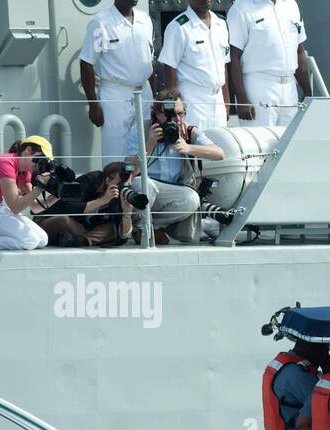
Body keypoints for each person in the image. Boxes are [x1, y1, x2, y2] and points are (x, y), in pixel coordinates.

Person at [126, 94, 225, 245]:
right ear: (158, 114)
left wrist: (188, 147)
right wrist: (150, 144)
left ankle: (153, 226)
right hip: (145, 187)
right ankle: (142, 228)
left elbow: (219, 153)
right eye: (171, 114)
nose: (177, 119)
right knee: (142, 184)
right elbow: (131, 171)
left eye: (180, 113)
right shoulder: (141, 128)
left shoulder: (188, 131)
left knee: (192, 198)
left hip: (172, 191)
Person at [81, 0, 156, 164]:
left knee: (145, 148)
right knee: (115, 151)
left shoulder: (145, 20)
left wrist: (154, 99)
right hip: (115, 93)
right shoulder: (100, 23)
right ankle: (113, 188)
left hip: (144, 91)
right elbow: (86, 63)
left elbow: (150, 61)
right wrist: (93, 105)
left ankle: (140, 187)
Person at [228, 0, 311, 128]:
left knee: (288, 143)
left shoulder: (291, 5)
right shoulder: (240, 8)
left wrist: (307, 90)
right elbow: (233, 57)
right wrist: (242, 99)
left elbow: (299, 50)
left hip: (290, 89)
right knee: (260, 143)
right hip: (259, 87)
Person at [159, 0, 231, 130]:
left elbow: (223, 65)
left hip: (218, 99)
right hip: (193, 100)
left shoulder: (220, 24)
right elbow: (170, 67)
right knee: (194, 146)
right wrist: (177, 105)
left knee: (219, 146)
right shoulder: (178, 27)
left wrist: (226, 102)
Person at [39, 162, 140, 248]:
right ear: (108, 180)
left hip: (85, 230)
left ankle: (79, 241)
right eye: (120, 183)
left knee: (112, 230)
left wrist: (127, 212)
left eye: (128, 184)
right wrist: (103, 200)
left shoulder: (123, 195)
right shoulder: (90, 181)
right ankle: (79, 239)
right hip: (52, 222)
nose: (124, 187)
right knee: (63, 221)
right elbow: (65, 207)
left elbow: (123, 236)